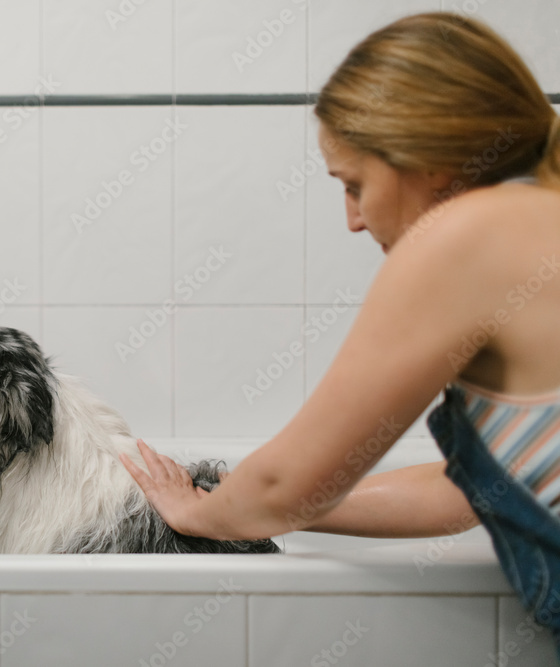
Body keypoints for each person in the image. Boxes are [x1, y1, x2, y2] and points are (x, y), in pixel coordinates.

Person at [120, 11, 560, 658]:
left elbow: (282, 486)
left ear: (428, 159)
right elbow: (465, 492)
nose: (353, 219)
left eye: (354, 185)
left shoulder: (465, 235)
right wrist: (252, 501)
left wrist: (198, 512)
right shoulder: (533, 217)